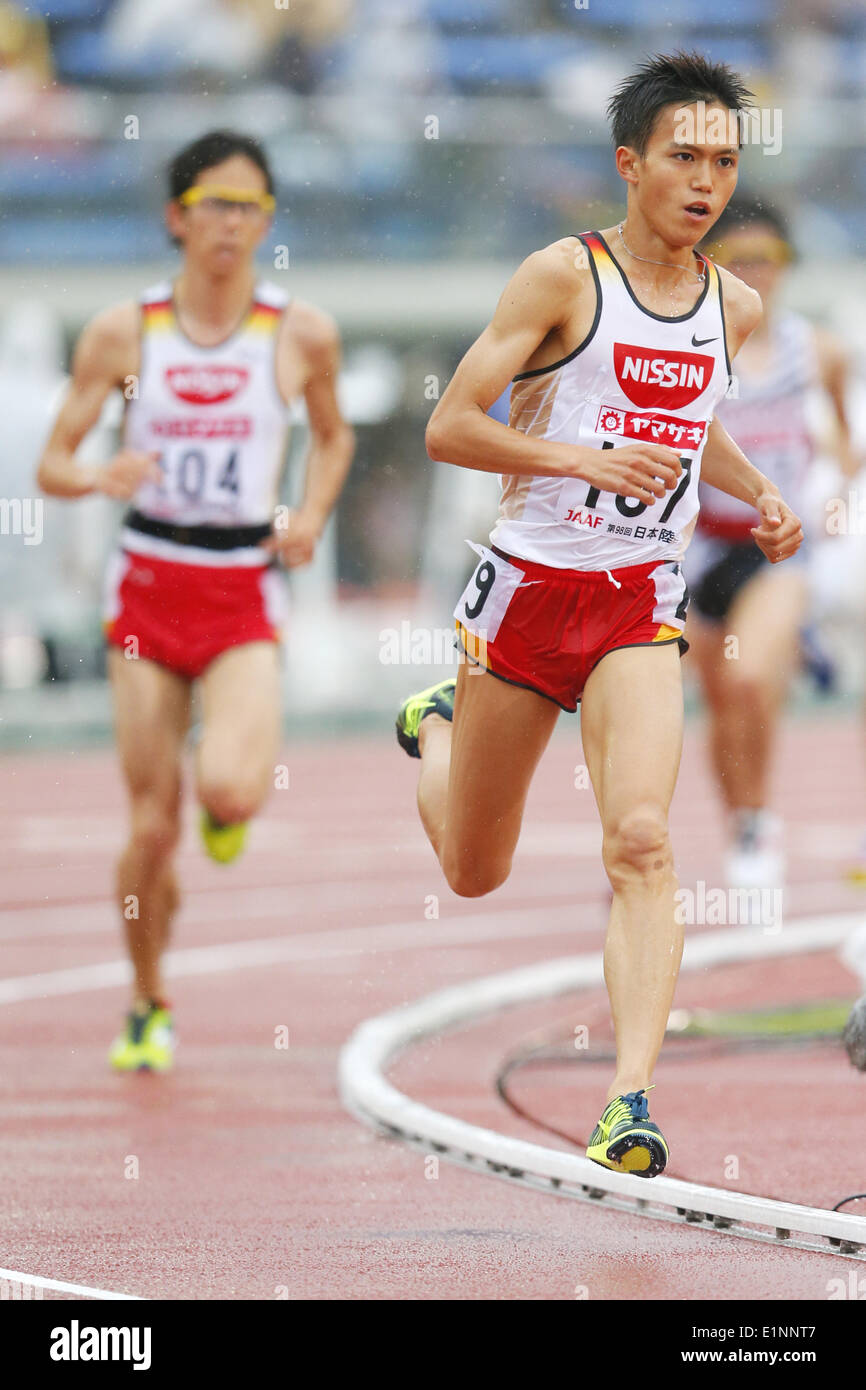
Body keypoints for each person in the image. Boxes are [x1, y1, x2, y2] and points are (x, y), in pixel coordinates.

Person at [395, 51, 803, 1178]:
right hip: (527, 595)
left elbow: (692, 422)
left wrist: (754, 491)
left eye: (722, 161)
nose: (705, 180)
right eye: (683, 156)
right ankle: (434, 724)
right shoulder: (559, 278)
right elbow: (452, 428)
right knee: (474, 868)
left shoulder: (736, 303)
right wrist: (580, 454)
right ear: (628, 164)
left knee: (640, 838)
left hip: (636, 602)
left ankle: (626, 1098)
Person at [37, 130, 354, 1073]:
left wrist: (311, 512)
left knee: (226, 788)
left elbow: (333, 440)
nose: (232, 222)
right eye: (215, 202)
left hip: (241, 584)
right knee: (149, 823)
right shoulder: (124, 331)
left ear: (267, 220)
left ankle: (229, 798)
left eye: (250, 206)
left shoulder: (298, 332)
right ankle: (146, 1000)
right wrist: (100, 475)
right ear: (177, 216)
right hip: (147, 582)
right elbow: (51, 463)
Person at [683, 197, 856, 888]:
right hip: (700, 548)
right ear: (713, 265)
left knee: (754, 678)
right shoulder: (692, 344)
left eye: (771, 259)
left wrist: (831, 484)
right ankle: (743, 824)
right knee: (722, 701)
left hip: (779, 546)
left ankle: (758, 827)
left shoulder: (816, 349)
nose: (759, 272)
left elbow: (845, 437)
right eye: (741, 258)